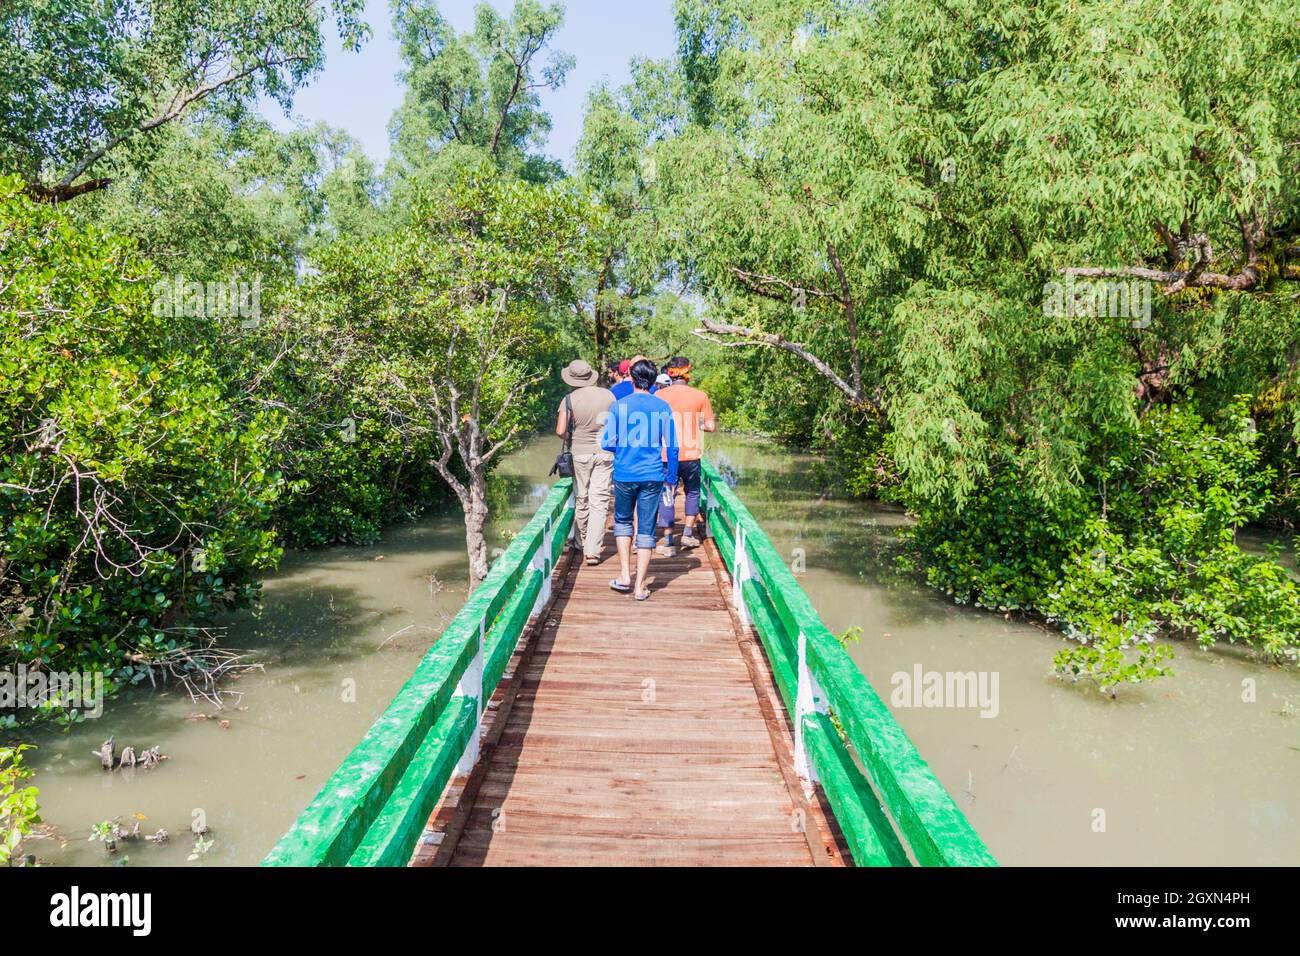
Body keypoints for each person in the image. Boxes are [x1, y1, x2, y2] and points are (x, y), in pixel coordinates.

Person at [600, 358, 679, 601]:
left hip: (624, 473)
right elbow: (673, 447)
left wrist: (623, 451)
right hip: (653, 474)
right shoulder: (663, 407)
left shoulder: (619, 406)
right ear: (653, 380)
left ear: (632, 379)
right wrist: (672, 478)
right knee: (646, 527)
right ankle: (640, 586)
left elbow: (606, 442)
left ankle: (625, 576)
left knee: (623, 522)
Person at [654, 356, 716, 555]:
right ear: (688, 374)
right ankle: (688, 534)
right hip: (690, 454)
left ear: (670, 374)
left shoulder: (659, 396)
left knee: (667, 494)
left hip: (665, 455)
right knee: (692, 491)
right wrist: (694, 424)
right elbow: (710, 426)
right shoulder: (700, 396)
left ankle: (669, 542)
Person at [556, 359, 615, 566]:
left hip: (579, 454)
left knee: (582, 497)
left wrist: (573, 439)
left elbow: (560, 430)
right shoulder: (608, 395)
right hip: (605, 453)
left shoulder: (568, 400)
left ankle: (581, 542)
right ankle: (593, 550)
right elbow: (616, 424)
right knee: (599, 501)